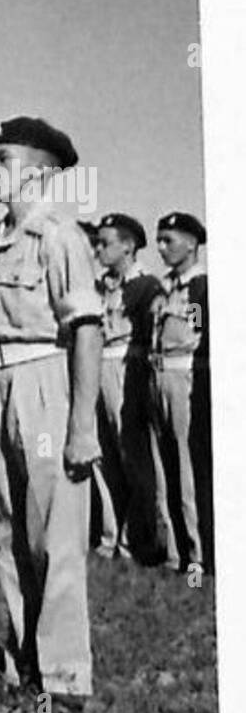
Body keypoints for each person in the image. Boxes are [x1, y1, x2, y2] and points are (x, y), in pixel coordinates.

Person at [0, 116, 101, 701]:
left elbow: (86, 330)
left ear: (39, 169)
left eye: (2, 159)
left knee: (54, 532)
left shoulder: (59, 236)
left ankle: (66, 675)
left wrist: (82, 427)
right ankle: (23, 659)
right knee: (6, 529)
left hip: (43, 381)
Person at [92, 213, 165, 564]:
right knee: (103, 456)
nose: (99, 250)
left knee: (133, 456)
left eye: (106, 243)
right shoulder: (98, 287)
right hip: (97, 366)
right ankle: (110, 535)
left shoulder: (147, 286)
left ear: (129, 246)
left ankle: (141, 538)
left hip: (126, 366)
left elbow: (182, 323)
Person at [149, 212, 212, 577]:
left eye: (168, 240)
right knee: (165, 469)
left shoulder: (198, 289)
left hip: (184, 376)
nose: (161, 248)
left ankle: (197, 556)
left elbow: (198, 333)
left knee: (189, 468)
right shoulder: (167, 288)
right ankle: (175, 553)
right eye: (159, 240)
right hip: (158, 376)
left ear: (190, 243)